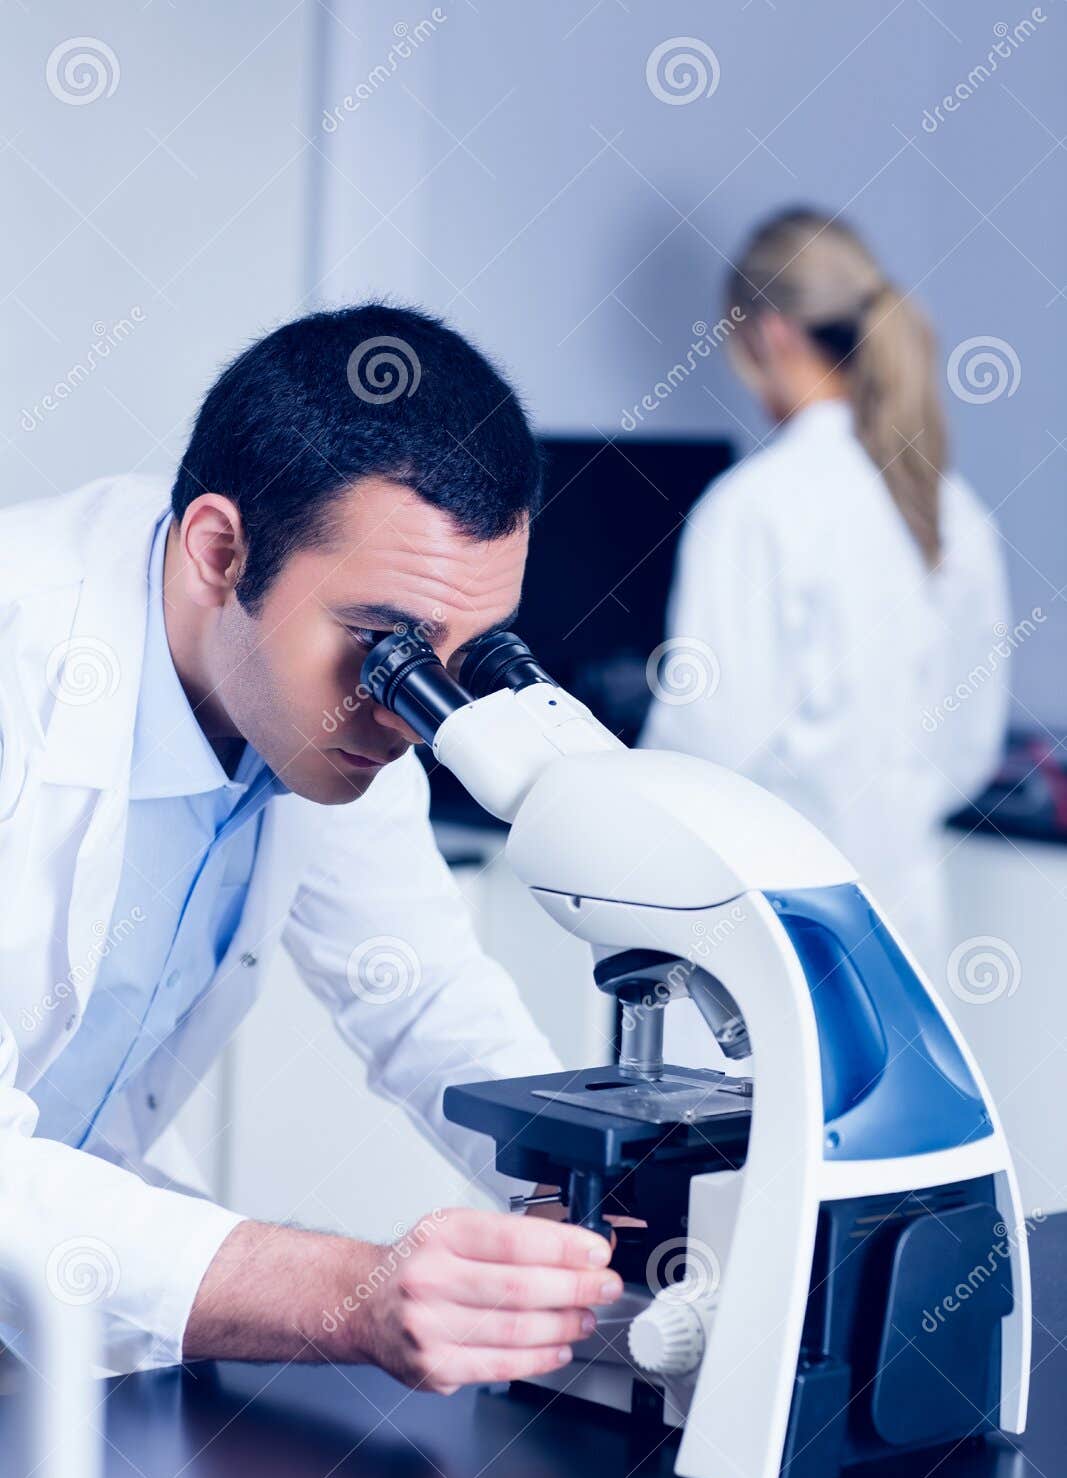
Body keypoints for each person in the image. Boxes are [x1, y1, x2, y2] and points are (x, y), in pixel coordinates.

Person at [0, 303, 623, 1385]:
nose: (408, 715)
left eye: (460, 660)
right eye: (383, 646)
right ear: (219, 551)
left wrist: (600, 1202)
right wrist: (346, 1294)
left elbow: (424, 1000)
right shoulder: (22, 659)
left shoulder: (317, 707)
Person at [641, 208, 1010, 975]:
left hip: (769, 929)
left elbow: (705, 748)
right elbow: (968, 749)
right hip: (906, 925)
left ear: (768, 334)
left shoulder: (753, 506)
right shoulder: (953, 509)